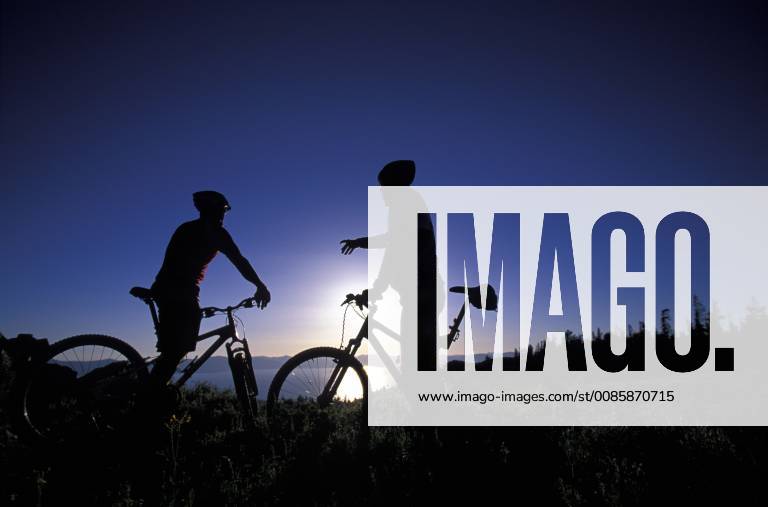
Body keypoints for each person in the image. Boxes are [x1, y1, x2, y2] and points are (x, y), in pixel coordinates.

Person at [149, 190, 270, 388]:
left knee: (173, 349)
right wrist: (260, 285)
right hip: (180, 292)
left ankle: (152, 392)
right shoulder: (215, 233)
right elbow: (239, 261)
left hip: (169, 289)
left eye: (224, 213)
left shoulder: (186, 228)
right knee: (175, 350)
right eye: (220, 211)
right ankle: (147, 400)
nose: (223, 217)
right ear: (209, 211)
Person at [340, 160, 440, 370]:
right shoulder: (403, 206)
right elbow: (394, 243)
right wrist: (360, 243)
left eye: (383, 186)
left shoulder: (407, 203)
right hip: (419, 292)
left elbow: (398, 246)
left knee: (419, 365)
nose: (381, 192)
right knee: (414, 362)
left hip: (424, 293)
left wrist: (378, 287)